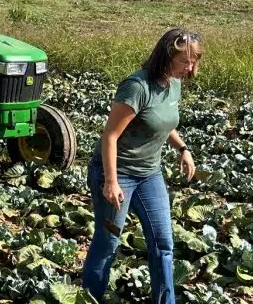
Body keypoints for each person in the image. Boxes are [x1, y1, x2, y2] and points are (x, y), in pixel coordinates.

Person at [80, 28, 202, 304]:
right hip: (117, 172)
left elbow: (161, 123)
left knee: (163, 244)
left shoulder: (174, 83)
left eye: (194, 61)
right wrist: (110, 181)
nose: (190, 67)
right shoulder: (137, 86)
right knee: (108, 241)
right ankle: (90, 297)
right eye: (185, 61)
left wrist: (182, 149)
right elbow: (110, 135)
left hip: (149, 174)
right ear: (167, 56)